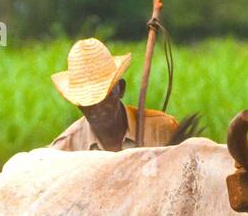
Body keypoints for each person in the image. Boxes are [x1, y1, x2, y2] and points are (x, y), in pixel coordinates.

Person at [49, 38, 195, 151]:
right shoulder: (65, 149)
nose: (97, 109)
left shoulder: (162, 130)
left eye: (104, 97)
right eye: (87, 103)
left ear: (121, 89)